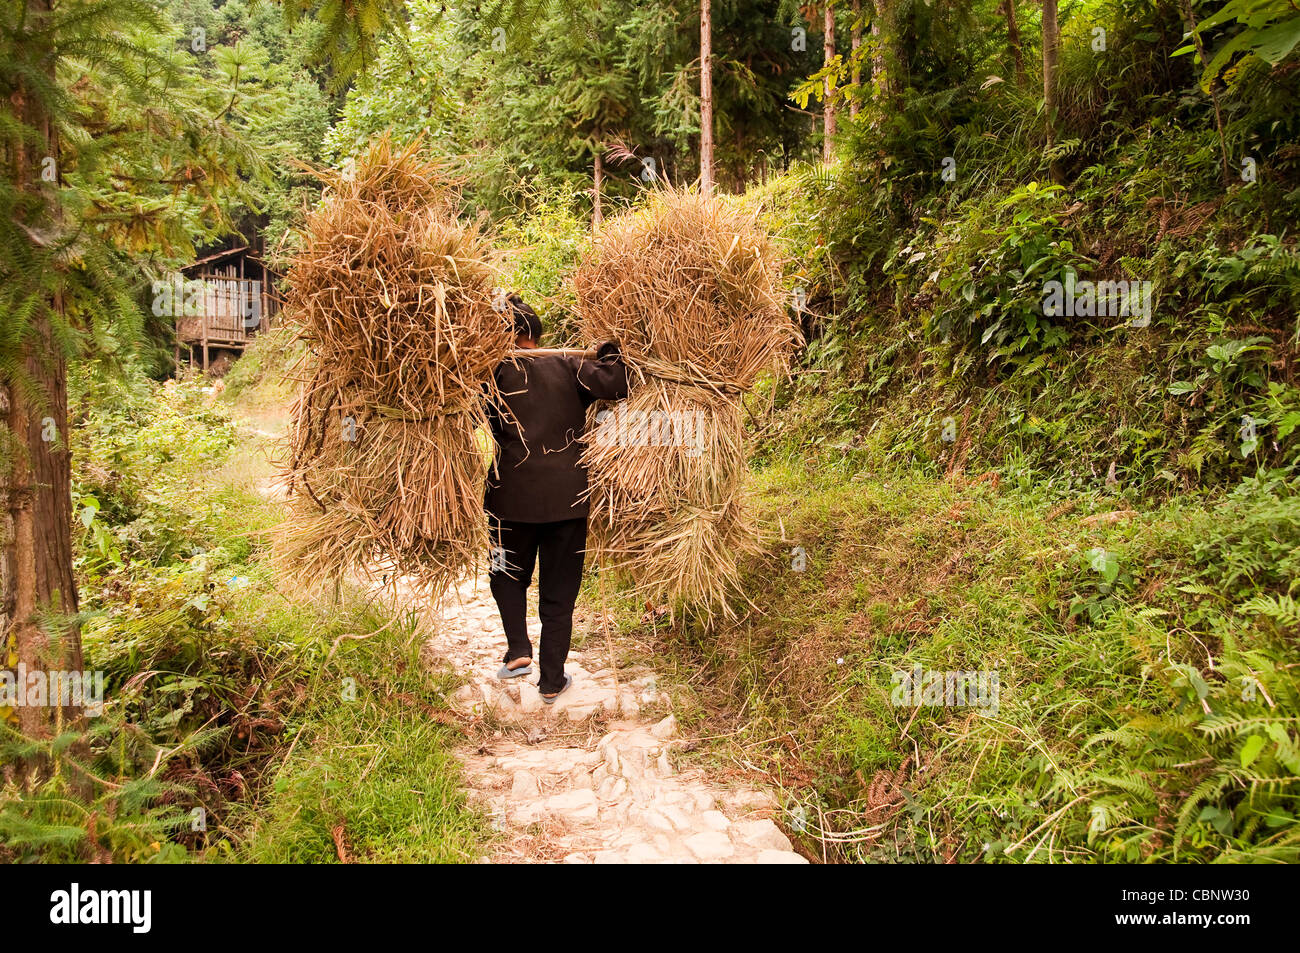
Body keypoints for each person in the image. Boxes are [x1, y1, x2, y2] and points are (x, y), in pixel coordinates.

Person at [484, 294, 628, 703]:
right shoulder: (570, 364)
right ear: (535, 331)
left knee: (505, 573)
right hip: (569, 499)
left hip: (508, 499)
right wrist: (610, 353)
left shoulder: (486, 372)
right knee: (559, 591)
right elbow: (618, 383)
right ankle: (551, 680)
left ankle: (517, 651)